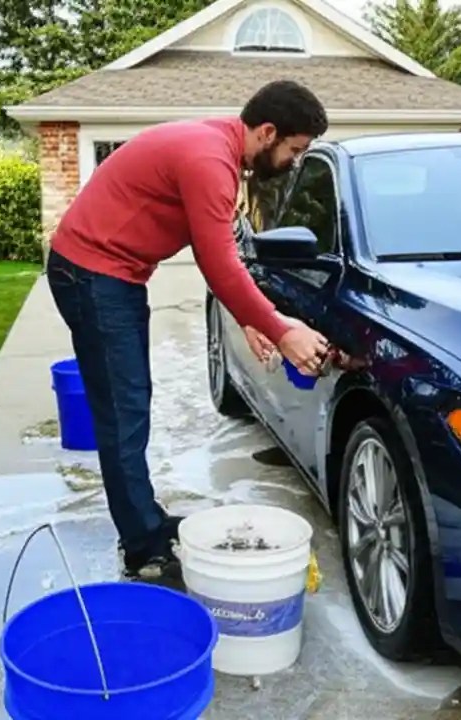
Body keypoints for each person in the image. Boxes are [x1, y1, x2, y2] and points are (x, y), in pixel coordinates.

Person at [45, 80, 331, 583]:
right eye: (294, 149)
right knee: (123, 412)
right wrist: (282, 330)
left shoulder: (218, 149)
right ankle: (144, 551)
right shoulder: (209, 160)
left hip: (107, 276)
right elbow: (218, 263)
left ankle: (145, 522)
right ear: (268, 132)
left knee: (130, 402)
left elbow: (218, 249)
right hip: (93, 276)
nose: (293, 162)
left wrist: (251, 318)